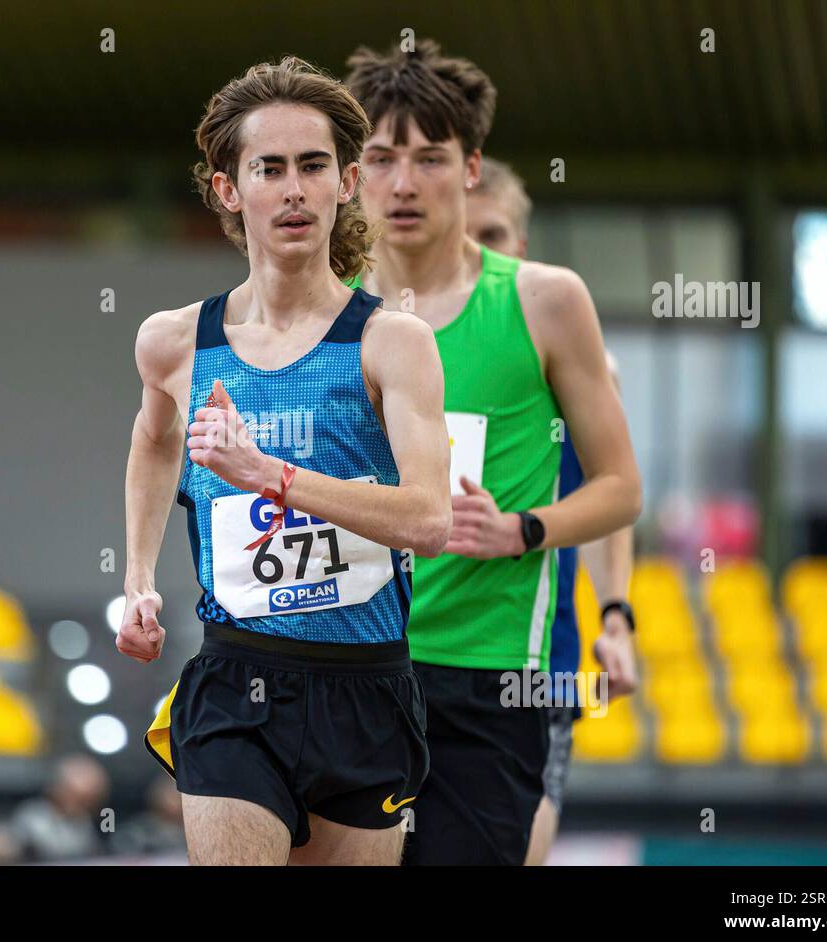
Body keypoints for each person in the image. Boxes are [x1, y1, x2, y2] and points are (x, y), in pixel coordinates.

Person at [121, 55, 451, 865]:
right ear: (230, 190)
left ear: (346, 183)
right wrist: (135, 578)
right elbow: (155, 441)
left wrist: (267, 474)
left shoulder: (392, 343)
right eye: (270, 168)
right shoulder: (173, 342)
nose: (294, 189)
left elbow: (431, 521)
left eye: (313, 167)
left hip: (368, 687)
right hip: (238, 683)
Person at [345, 40, 641, 865]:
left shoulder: (545, 302)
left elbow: (621, 489)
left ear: (470, 167)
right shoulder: (325, 318)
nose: (403, 185)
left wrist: (524, 530)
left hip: (492, 680)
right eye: (379, 158)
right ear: (350, 173)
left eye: (430, 158)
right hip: (350, 668)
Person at [466, 158, 639, 865]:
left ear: (522, 246)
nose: (480, 251)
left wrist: (617, 616)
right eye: (466, 235)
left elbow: (609, 498)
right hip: (404, 658)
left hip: (535, 663)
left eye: (495, 234)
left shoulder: (571, 358)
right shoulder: (396, 349)